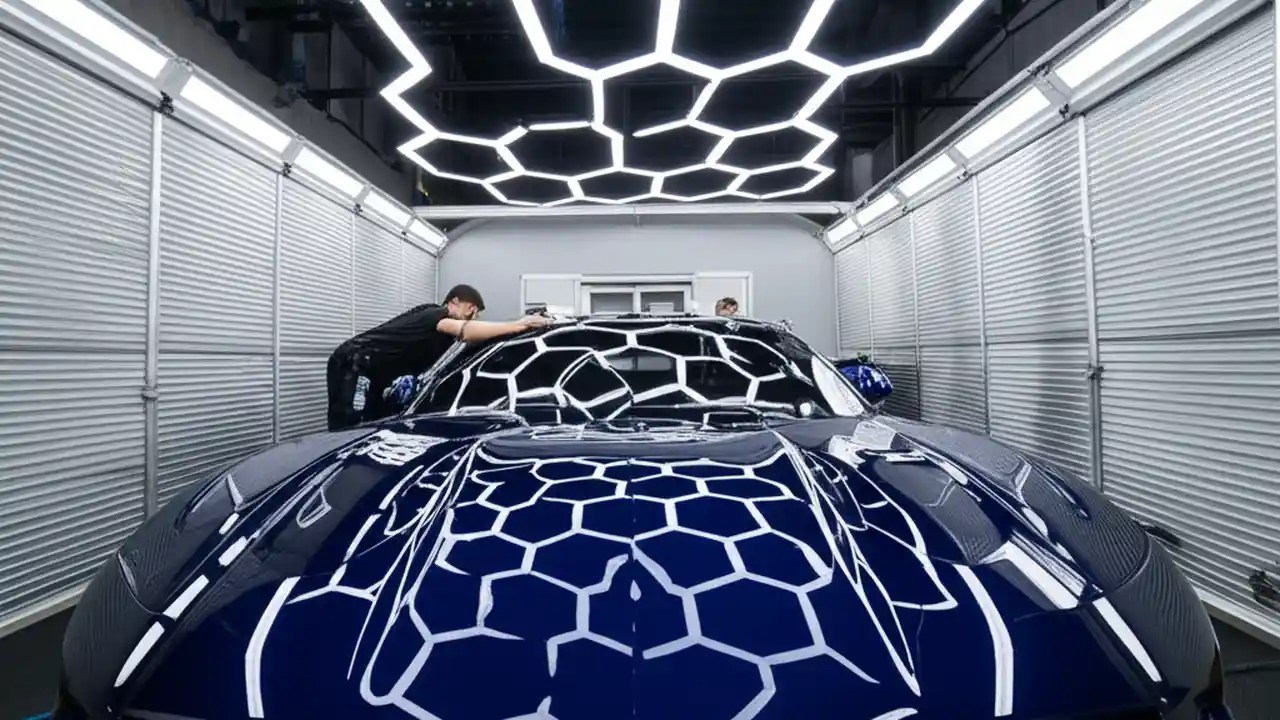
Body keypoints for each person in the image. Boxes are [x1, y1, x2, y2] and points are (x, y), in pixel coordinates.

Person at [326, 284, 548, 430]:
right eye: (470, 309)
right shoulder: (435, 314)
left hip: (370, 371)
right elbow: (466, 331)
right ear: (454, 302)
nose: (472, 316)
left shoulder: (437, 333)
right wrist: (521, 325)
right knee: (350, 429)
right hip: (355, 363)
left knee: (371, 423)